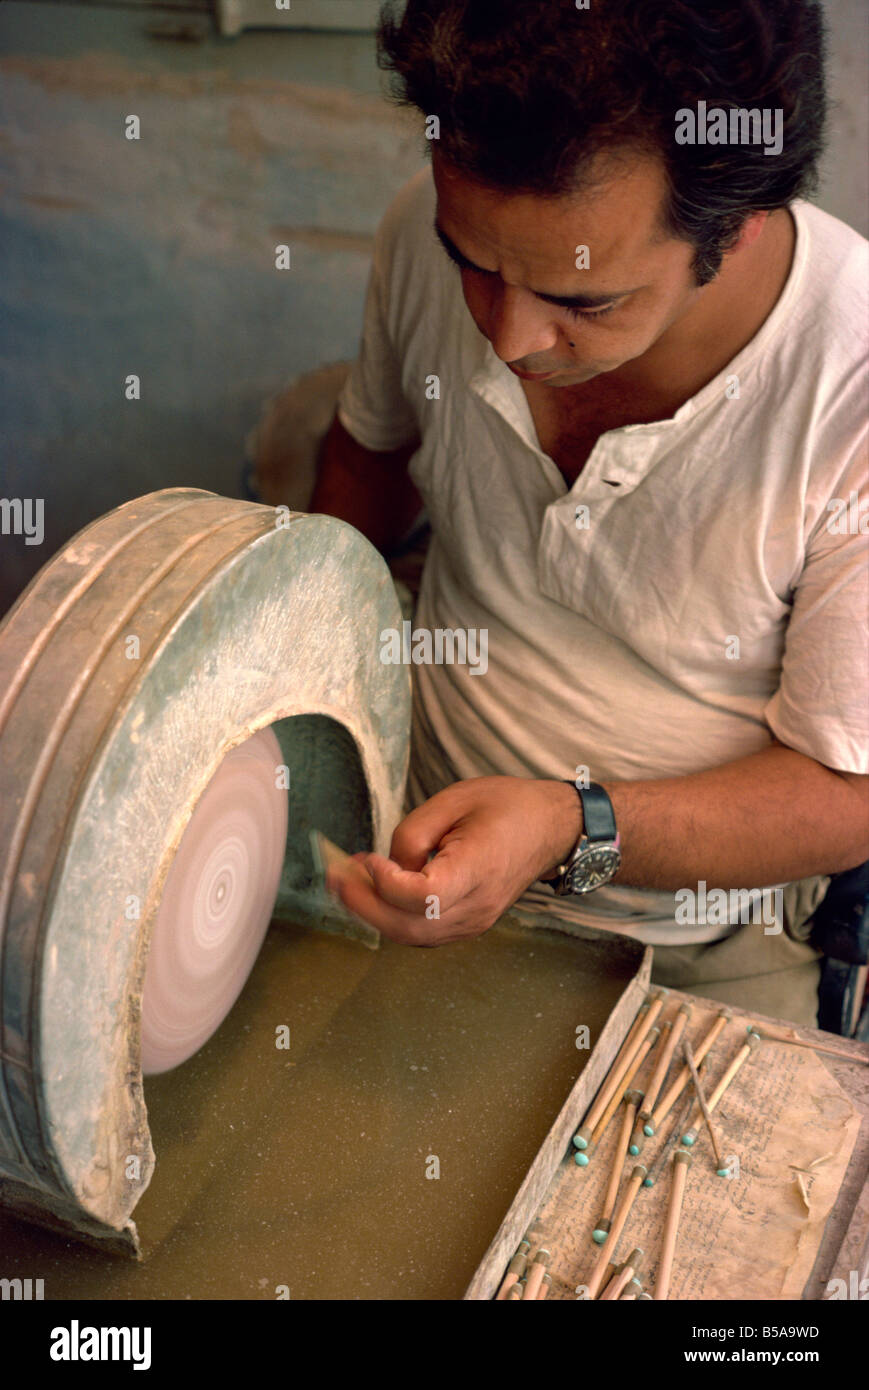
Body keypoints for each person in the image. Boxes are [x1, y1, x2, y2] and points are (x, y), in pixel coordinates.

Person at [309, 0, 868, 1026]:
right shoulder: (421, 236)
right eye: (473, 265)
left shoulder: (848, 387)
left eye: (585, 301)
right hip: (398, 834)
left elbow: (845, 796)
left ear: (734, 222)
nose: (511, 336)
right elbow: (366, 457)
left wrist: (568, 825)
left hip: (682, 938)